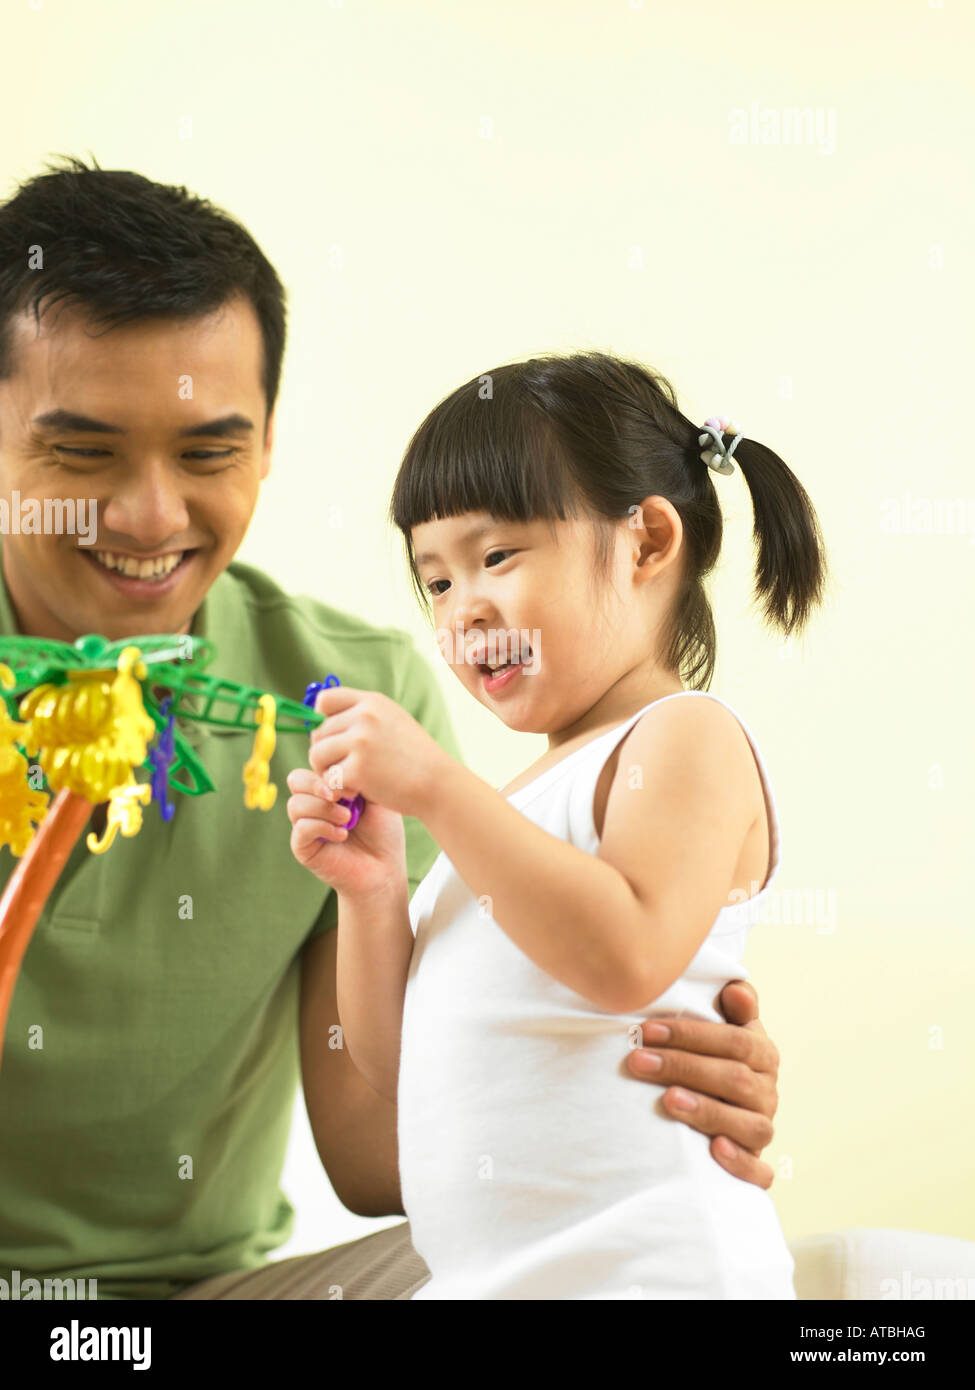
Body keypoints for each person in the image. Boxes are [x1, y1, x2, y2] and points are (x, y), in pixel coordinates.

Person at [0, 156, 784, 1302]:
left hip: (213, 1298)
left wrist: (636, 1095)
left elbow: (389, 1158)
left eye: (209, 451)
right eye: (83, 452)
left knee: (548, 1253)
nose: (153, 515)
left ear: (268, 441)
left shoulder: (350, 703)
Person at [287, 352, 827, 1298]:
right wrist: (371, 893)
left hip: (654, 1272)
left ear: (646, 543)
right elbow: (397, 1066)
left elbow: (622, 955)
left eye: (496, 556)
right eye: (437, 584)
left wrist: (442, 791)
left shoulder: (684, 737)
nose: (465, 610)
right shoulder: (508, 818)